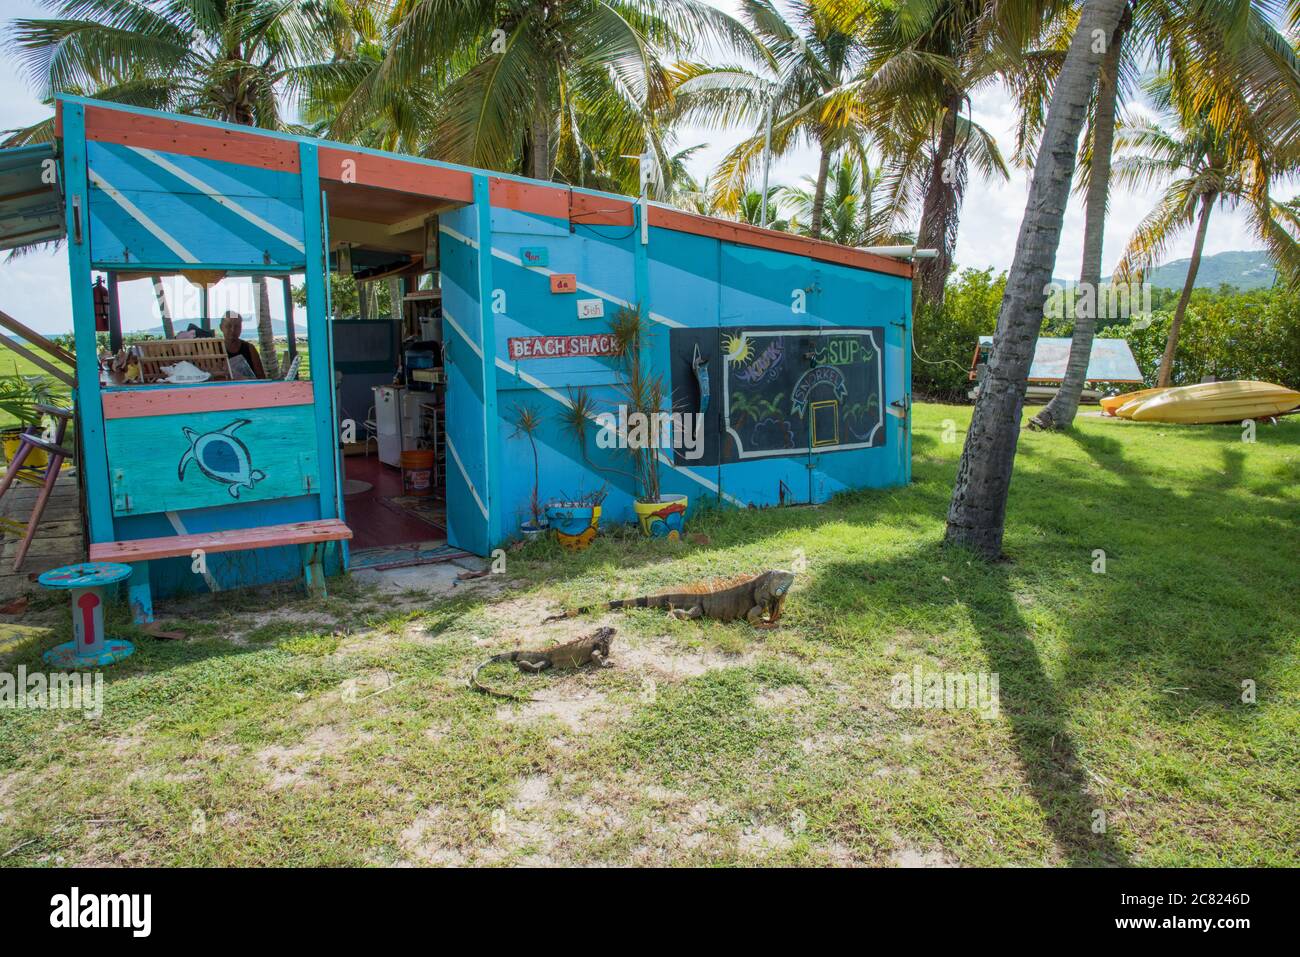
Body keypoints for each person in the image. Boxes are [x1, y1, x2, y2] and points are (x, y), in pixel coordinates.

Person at [219, 311, 266, 379]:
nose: (233, 330)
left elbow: (261, 377)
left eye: (237, 326)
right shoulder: (214, 350)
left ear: (241, 328)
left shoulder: (249, 348)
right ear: (221, 327)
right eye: (228, 326)